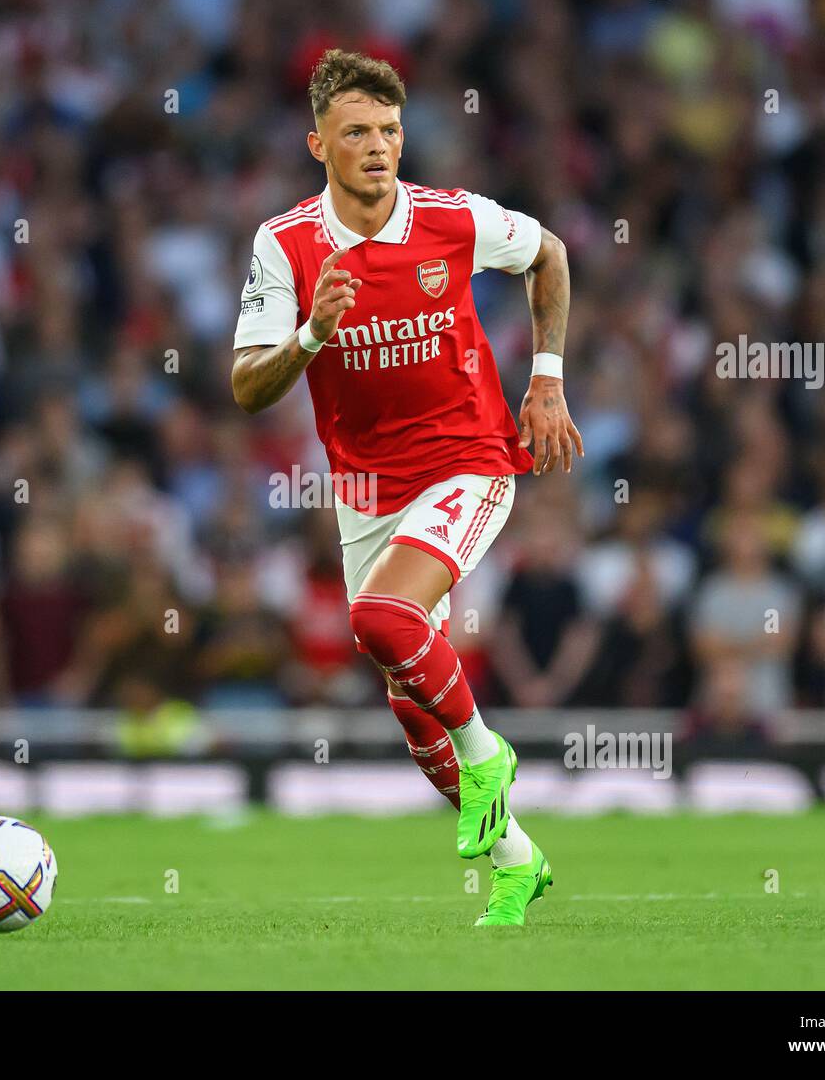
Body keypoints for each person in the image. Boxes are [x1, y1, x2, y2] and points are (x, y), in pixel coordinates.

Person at [231, 50, 582, 926]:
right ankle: (518, 861)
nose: (379, 146)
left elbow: (551, 253)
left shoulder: (451, 218)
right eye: (357, 132)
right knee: (405, 690)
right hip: (365, 486)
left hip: (470, 459)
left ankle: (487, 753)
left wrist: (547, 378)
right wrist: (311, 335)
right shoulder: (287, 244)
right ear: (319, 144)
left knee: (380, 619)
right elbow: (246, 386)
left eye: (389, 130)